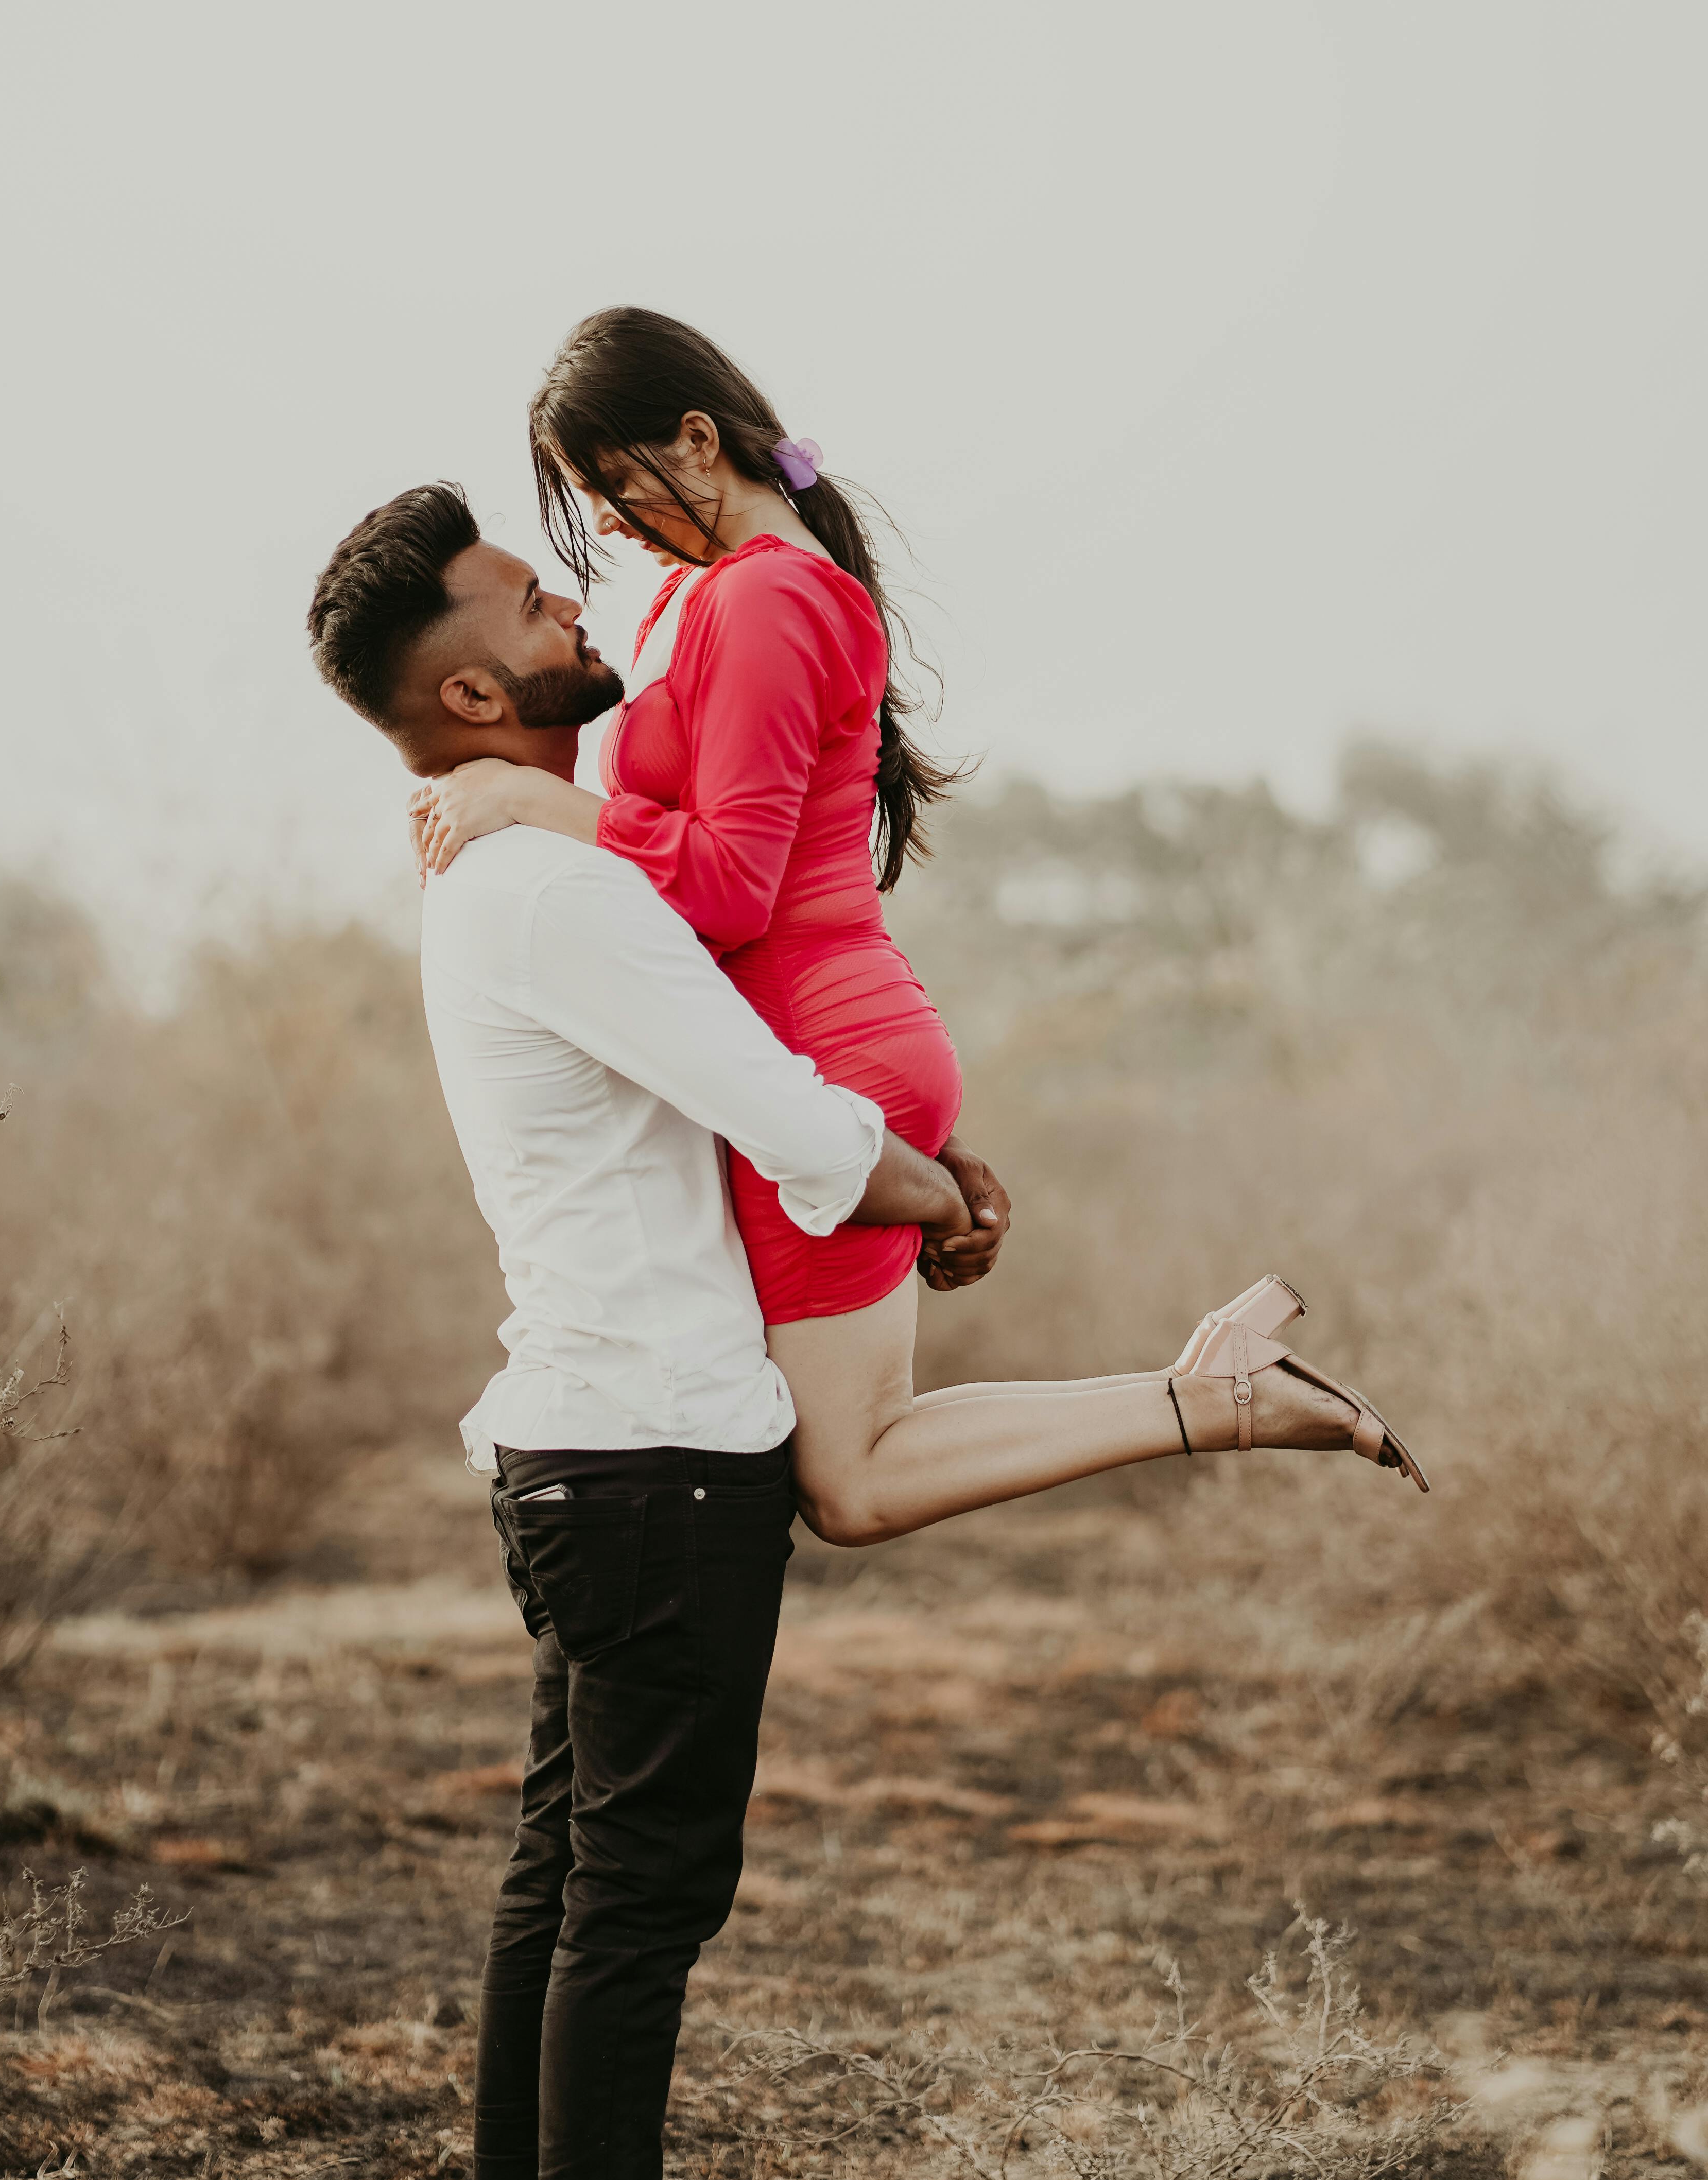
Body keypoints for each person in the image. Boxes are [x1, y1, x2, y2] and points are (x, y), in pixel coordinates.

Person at [304, 485, 1424, 2180]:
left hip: (591, 1451)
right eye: (529, 597)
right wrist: (916, 1178)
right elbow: (770, 1099)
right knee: (631, 1912)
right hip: (652, 1466)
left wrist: (892, 1177)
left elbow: (751, 1071)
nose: (574, 601)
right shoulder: (548, 892)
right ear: (474, 689)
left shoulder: (504, 874)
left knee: (565, 1901)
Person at [413, 310, 1428, 1533]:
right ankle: (1204, 1390)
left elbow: (732, 886)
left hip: (811, 1044)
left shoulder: (771, 599)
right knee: (854, 1453)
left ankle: (1211, 1397)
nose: (612, 528)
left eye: (612, 490)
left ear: (695, 440)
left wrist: (537, 802)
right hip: (807, 1047)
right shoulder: (717, 593)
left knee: (853, 1473)